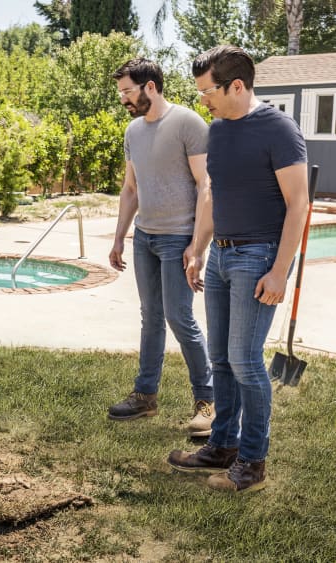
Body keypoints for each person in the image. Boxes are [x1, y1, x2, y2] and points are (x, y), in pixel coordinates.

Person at [167, 45, 308, 493]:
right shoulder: (219, 131)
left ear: (237, 86)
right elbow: (211, 192)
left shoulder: (279, 129)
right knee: (222, 360)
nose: (202, 100)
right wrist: (198, 248)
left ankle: (252, 463)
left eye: (207, 92)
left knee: (246, 362)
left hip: (258, 256)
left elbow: (298, 203)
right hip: (224, 255)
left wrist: (280, 270)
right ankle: (222, 446)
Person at [106, 58, 214, 438]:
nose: (123, 99)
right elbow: (131, 188)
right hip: (145, 237)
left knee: (178, 317)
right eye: (121, 92)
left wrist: (197, 246)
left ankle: (207, 400)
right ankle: (145, 395)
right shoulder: (133, 131)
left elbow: (206, 186)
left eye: (127, 91)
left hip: (178, 239)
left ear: (150, 87)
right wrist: (120, 236)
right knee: (150, 316)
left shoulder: (187, 123)